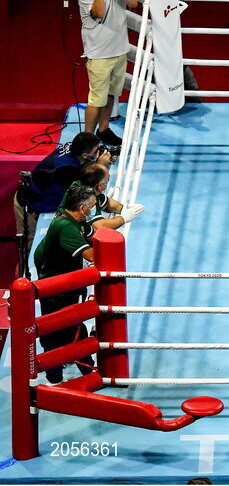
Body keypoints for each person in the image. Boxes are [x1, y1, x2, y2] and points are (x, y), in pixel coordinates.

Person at [14, 132, 111, 276]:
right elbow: (84, 189)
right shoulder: (67, 168)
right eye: (96, 150)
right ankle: (18, 290)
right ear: (85, 154)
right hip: (29, 204)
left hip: (40, 192)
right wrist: (100, 167)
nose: (99, 151)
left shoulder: (73, 150)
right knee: (26, 253)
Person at [33, 184, 98, 384]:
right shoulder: (66, 228)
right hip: (57, 291)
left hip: (63, 284)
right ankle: (57, 376)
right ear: (82, 208)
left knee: (72, 328)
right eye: (91, 206)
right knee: (59, 332)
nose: (92, 210)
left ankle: (82, 368)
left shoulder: (67, 213)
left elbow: (73, 187)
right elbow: (92, 255)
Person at [78, 0, 138, 146]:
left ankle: (103, 130)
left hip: (120, 50)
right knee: (97, 99)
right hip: (100, 54)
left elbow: (133, 3)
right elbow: (100, 12)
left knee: (112, 94)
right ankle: (88, 139)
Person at [58, 162, 145, 230]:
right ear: (101, 186)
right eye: (108, 178)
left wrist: (125, 208)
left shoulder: (85, 185)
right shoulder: (87, 199)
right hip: (67, 238)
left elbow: (107, 203)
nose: (108, 179)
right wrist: (124, 218)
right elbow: (99, 226)